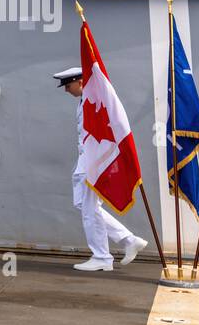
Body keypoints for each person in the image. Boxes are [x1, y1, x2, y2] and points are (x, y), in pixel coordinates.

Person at [55, 66, 147, 271]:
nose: (65, 90)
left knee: (89, 209)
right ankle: (128, 240)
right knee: (83, 204)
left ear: (81, 82)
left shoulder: (93, 100)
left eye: (68, 85)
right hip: (85, 160)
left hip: (93, 161)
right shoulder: (83, 102)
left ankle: (102, 257)